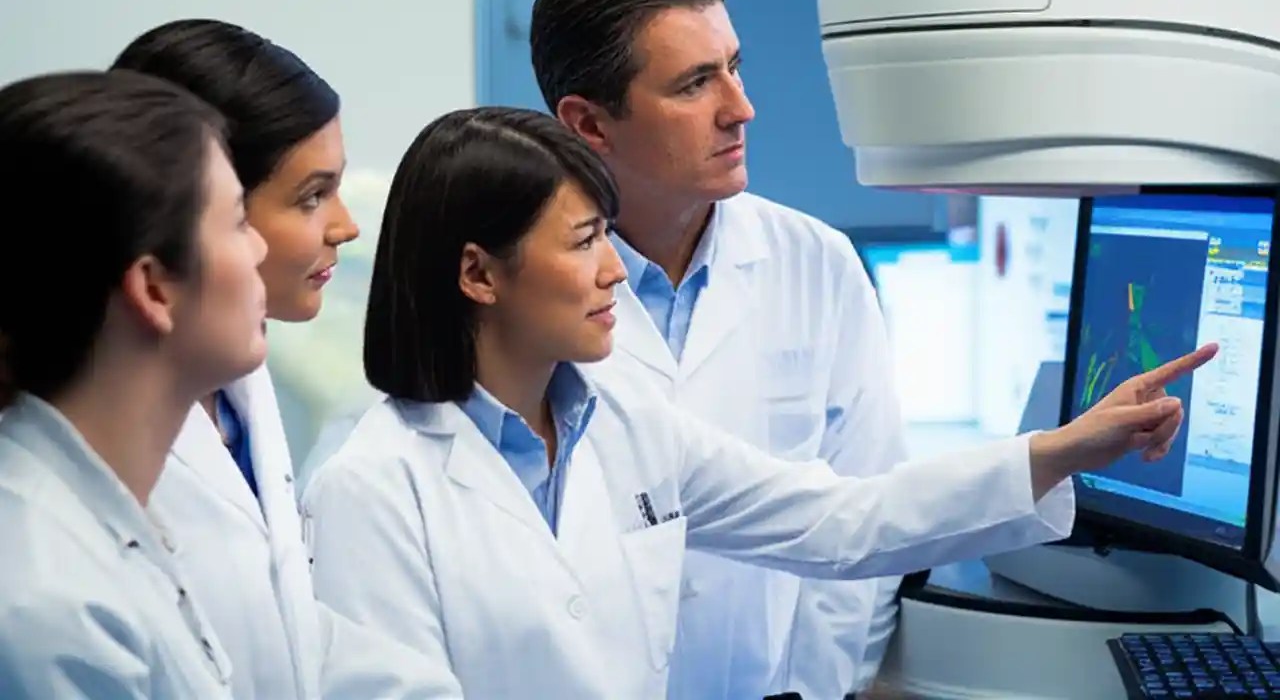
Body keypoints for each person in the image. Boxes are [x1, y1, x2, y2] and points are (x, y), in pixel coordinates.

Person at [300, 106, 1215, 699]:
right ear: (478, 274)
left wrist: (1060, 450)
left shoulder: (621, 426)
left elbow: (840, 518)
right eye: (584, 242)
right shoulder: (373, 490)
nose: (616, 267)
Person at [528, 0, 908, 696]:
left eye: (734, 66)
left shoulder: (816, 264)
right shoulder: (522, 292)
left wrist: (812, 689)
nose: (740, 108)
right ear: (589, 123)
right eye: (695, 84)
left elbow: (867, 517)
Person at [111, 19, 455, 700]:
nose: (345, 226)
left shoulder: (238, 381)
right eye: (310, 195)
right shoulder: (113, 441)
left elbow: (283, 625)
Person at [0, 69, 265, 698]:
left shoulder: (97, 521)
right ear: (153, 289)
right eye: (236, 222)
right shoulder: (51, 606)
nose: (258, 250)